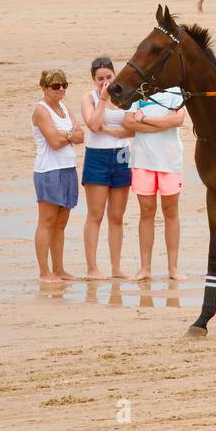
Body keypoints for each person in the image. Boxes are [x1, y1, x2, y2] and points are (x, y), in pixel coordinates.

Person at [124, 85, 187, 281]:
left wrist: (145, 119)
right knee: (147, 212)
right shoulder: (137, 89)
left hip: (170, 161)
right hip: (143, 160)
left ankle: (173, 268)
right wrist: (163, 123)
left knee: (171, 212)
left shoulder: (175, 90)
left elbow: (178, 119)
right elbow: (128, 122)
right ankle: (145, 268)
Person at [81, 56, 134, 279]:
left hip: (122, 155)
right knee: (95, 214)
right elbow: (93, 125)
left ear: (115, 74)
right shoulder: (90, 97)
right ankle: (92, 267)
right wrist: (102, 100)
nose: (105, 82)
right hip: (97, 156)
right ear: (94, 79)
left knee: (117, 216)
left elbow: (132, 129)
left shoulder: (125, 96)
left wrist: (109, 130)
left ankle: (116, 266)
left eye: (108, 77)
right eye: (100, 78)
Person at [32, 69, 83, 284]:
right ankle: (44, 272)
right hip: (49, 169)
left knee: (61, 222)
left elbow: (81, 136)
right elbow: (53, 141)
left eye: (64, 85)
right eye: (55, 86)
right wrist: (68, 135)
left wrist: (67, 136)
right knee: (47, 220)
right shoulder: (41, 110)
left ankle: (59, 268)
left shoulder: (64, 108)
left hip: (67, 166)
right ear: (44, 88)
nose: (61, 89)